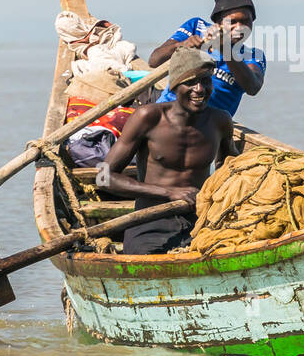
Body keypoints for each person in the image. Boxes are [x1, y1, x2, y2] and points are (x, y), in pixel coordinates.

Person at [100, 48, 239, 254]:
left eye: (205, 80)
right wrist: (169, 193)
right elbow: (104, 177)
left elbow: (230, 168)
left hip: (199, 221)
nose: (200, 89)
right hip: (149, 219)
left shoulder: (220, 121)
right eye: (190, 82)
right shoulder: (148, 117)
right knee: (144, 262)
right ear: (174, 86)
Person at [148, 0, 265, 117]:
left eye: (246, 21)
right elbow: (154, 61)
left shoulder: (253, 56)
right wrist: (182, 46)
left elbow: (252, 87)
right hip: (166, 114)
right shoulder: (196, 27)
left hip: (208, 128)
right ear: (218, 21)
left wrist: (224, 48)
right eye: (232, 22)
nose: (239, 28)